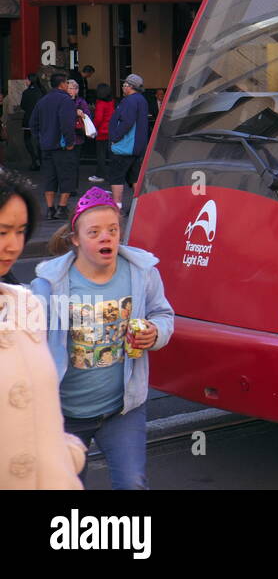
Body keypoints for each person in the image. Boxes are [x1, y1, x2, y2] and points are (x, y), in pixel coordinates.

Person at [30, 187, 174, 490]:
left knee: (133, 483)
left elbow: (164, 314)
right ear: (76, 239)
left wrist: (156, 332)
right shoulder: (49, 284)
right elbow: (28, 343)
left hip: (122, 410)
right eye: (93, 232)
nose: (105, 237)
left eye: (112, 229)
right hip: (65, 415)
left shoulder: (142, 272)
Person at [0, 169, 87, 489]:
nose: (13, 245)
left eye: (21, 231)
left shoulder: (27, 304)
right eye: (2, 231)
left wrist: (65, 455)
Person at [28, 75, 79, 220]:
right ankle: (62, 208)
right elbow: (66, 124)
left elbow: (33, 123)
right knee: (66, 176)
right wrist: (70, 142)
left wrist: (40, 139)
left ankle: (50, 209)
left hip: (46, 146)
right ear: (62, 84)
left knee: (49, 177)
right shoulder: (66, 100)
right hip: (61, 146)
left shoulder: (42, 101)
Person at [108, 74, 150, 209]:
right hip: (137, 146)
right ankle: (140, 205)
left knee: (117, 177)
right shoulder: (142, 100)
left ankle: (117, 206)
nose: (123, 87)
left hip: (125, 146)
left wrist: (115, 137)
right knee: (135, 177)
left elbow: (127, 122)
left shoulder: (129, 101)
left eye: (124, 85)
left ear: (130, 86)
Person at [67, 79, 94, 186]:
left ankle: (73, 186)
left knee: (74, 163)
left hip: (77, 137)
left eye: (72, 88)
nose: (69, 90)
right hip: (65, 137)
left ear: (77, 90)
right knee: (65, 163)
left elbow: (88, 117)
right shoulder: (63, 101)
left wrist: (82, 115)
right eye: (68, 88)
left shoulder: (81, 102)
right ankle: (66, 186)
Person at [90, 84, 115, 185]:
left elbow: (98, 119)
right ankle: (112, 174)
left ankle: (100, 175)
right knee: (111, 154)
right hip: (111, 131)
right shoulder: (112, 101)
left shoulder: (100, 103)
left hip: (101, 132)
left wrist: (93, 127)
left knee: (101, 155)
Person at [20, 74, 44, 171]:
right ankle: (41, 160)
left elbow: (23, 106)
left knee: (27, 139)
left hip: (28, 119)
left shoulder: (26, 92)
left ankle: (34, 158)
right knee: (39, 140)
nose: (25, 81)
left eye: (26, 79)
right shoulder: (42, 91)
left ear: (30, 81)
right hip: (40, 119)